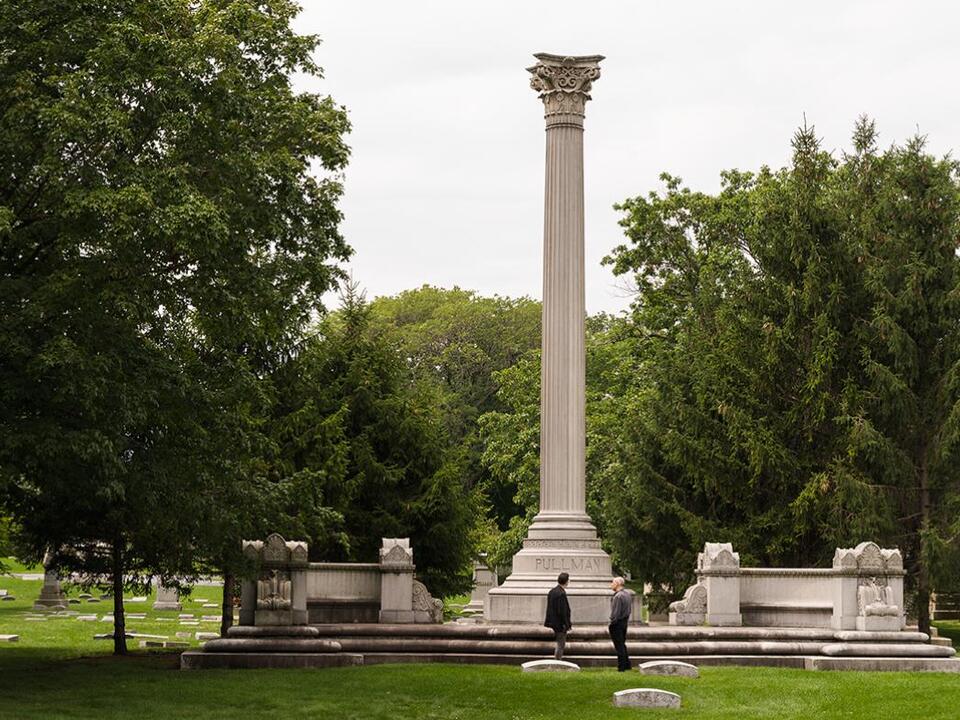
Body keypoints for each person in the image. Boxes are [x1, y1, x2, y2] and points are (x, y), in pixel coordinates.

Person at [544, 572, 572, 660]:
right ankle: (557, 661)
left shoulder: (552, 591)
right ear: (566, 581)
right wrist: (567, 624)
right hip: (560, 624)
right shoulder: (561, 593)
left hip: (553, 622)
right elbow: (562, 611)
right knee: (561, 644)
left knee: (559, 643)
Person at [608, 576, 632, 671]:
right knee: (622, 644)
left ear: (618, 584)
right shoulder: (627, 594)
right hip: (624, 622)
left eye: (613, 583)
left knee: (619, 646)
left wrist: (612, 622)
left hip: (617, 623)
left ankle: (621, 666)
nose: (611, 584)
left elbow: (615, 613)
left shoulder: (618, 596)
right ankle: (627, 664)